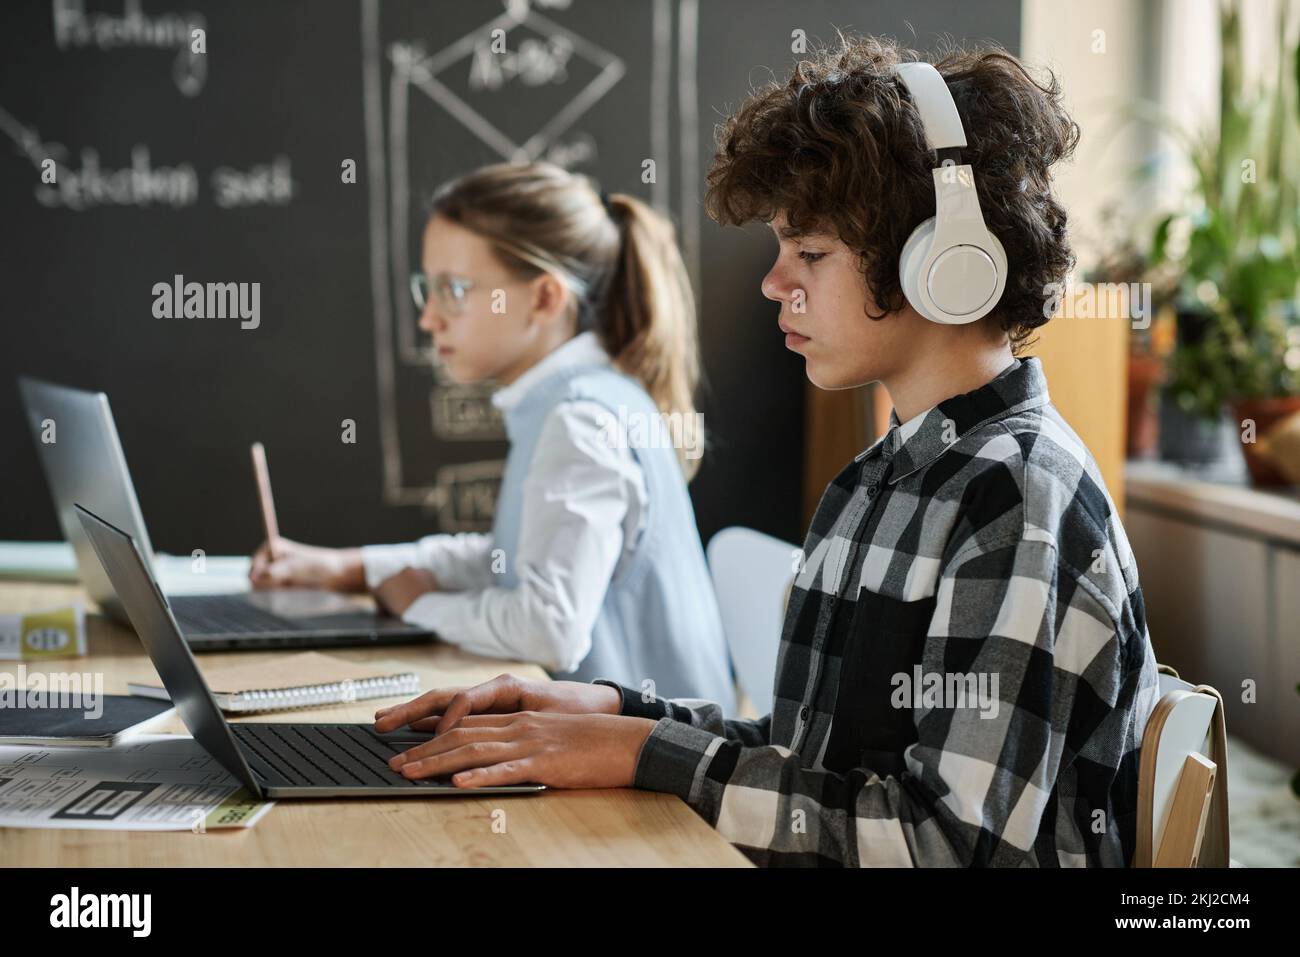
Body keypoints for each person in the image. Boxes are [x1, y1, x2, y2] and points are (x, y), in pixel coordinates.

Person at [370, 35, 1160, 867]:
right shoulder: (879, 479)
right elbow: (810, 757)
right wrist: (603, 710)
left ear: (944, 264)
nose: (774, 282)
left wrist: (641, 755)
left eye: (810, 253)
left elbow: (946, 842)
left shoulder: (1021, 498)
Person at [250, 162, 734, 709]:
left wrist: (420, 606)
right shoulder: (580, 397)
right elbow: (512, 557)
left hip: (655, 775)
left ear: (545, 299)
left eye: (454, 290)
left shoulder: (580, 420)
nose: (430, 318)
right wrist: (352, 570)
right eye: (425, 289)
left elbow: (551, 628)